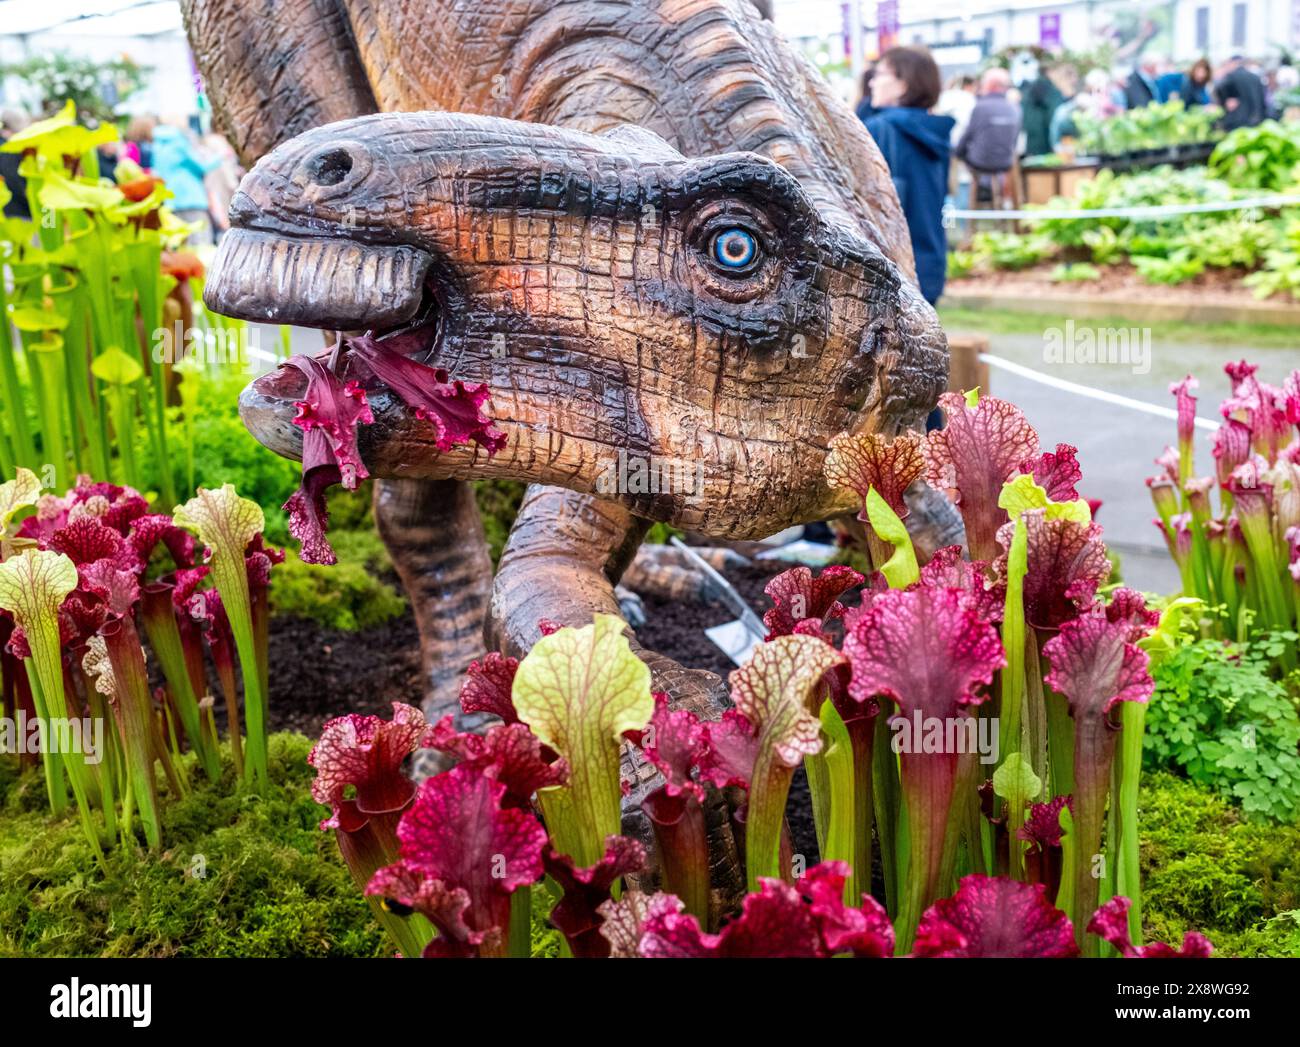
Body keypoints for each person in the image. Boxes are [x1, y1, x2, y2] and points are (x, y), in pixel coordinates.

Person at [863, 46, 953, 306]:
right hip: (929, 260)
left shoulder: (877, 130)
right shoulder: (936, 132)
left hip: (889, 268)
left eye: (880, 74)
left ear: (903, 85)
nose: (872, 82)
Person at [150, 115, 221, 245]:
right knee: (201, 241)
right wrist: (219, 158)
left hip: (170, 200)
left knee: (183, 243)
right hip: (191, 196)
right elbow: (202, 167)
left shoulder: (157, 145)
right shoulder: (179, 142)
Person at [954, 66, 1021, 197]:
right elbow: (1015, 140)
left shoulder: (980, 107)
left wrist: (957, 153)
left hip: (980, 162)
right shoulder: (1014, 108)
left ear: (990, 85)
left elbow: (967, 136)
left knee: (957, 157)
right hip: (1006, 162)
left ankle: (962, 204)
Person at [1021, 63, 1064, 157]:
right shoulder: (1053, 92)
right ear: (1050, 72)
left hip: (1031, 141)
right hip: (1048, 143)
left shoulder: (1027, 90)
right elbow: (1055, 119)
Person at [1215, 55, 1267, 130]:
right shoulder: (1256, 78)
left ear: (1233, 63)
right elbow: (1262, 100)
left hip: (1237, 120)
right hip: (1256, 119)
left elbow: (1220, 88)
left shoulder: (1231, 76)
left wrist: (1226, 101)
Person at [0, 109, 31, 220]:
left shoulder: (8, 149)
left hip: (13, 214)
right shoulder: (11, 150)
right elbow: (17, 182)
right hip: (23, 215)